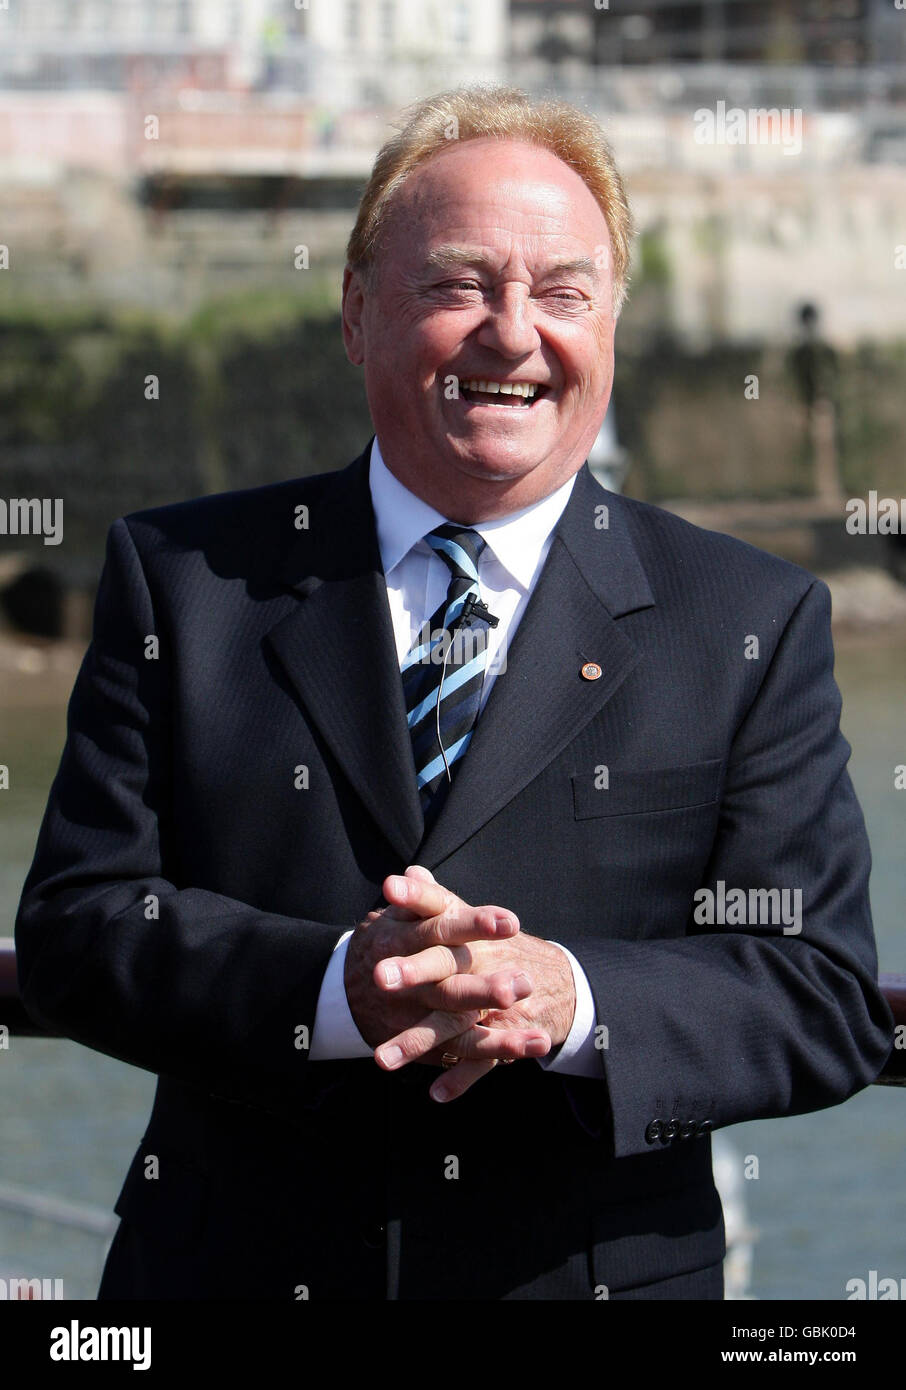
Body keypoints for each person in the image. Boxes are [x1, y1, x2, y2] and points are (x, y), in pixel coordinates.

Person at [15, 86, 893, 1301]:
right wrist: (333, 987)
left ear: (615, 328)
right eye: (459, 284)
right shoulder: (183, 581)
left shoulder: (748, 618)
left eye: (565, 292)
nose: (515, 333)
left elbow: (824, 991)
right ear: (358, 311)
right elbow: (78, 929)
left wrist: (570, 995)